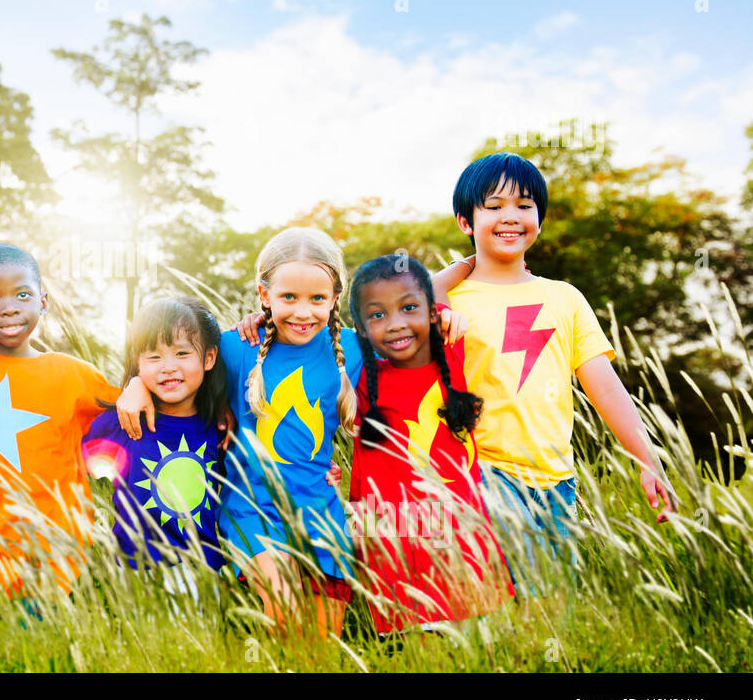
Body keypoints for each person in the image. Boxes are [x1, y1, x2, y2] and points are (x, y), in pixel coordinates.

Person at [432, 152, 675, 593]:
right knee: (510, 604)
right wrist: (447, 281)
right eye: (494, 205)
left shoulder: (565, 298)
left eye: (525, 205)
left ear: (539, 218)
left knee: (553, 608)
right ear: (465, 221)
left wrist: (648, 458)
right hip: (483, 474)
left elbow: (604, 386)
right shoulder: (449, 300)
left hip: (557, 482)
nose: (511, 217)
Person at [117, 228, 362, 637]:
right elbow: (175, 360)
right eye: (289, 298)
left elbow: (411, 330)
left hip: (321, 510)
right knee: (281, 606)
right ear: (264, 295)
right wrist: (135, 383)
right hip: (251, 509)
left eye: (317, 299)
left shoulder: (353, 350)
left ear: (335, 297)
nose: (303, 312)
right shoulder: (236, 347)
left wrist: (443, 314)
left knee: (322, 643)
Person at [0, 243, 119, 601]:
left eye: (22, 294)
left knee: (49, 645)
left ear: (43, 301)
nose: (8, 308)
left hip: (58, 549)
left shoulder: (74, 375)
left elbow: (131, 415)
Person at [347, 254, 513, 636]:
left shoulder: (451, 355)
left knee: (479, 653)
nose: (396, 324)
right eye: (377, 315)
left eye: (409, 308)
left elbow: (435, 285)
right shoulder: (361, 377)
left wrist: (476, 260)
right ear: (361, 327)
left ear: (433, 314)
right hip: (395, 549)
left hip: (463, 542)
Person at [83, 297, 228, 597]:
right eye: (153, 357)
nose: (168, 367)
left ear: (209, 358)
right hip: (133, 569)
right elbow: (86, 467)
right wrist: (132, 388)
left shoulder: (221, 423)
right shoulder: (122, 420)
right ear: (137, 361)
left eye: (182, 353)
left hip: (200, 568)